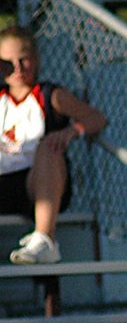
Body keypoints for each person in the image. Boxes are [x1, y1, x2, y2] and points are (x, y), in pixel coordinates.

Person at [0, 24, 107, 265]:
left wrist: (71, 132)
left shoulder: (50, 95)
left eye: (23, 60)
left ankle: (44, 240)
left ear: (35, 60)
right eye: (8, 62)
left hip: (37, 184)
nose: (16, 68)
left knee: (48, 146)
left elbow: (96, 118)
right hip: (3, 181)